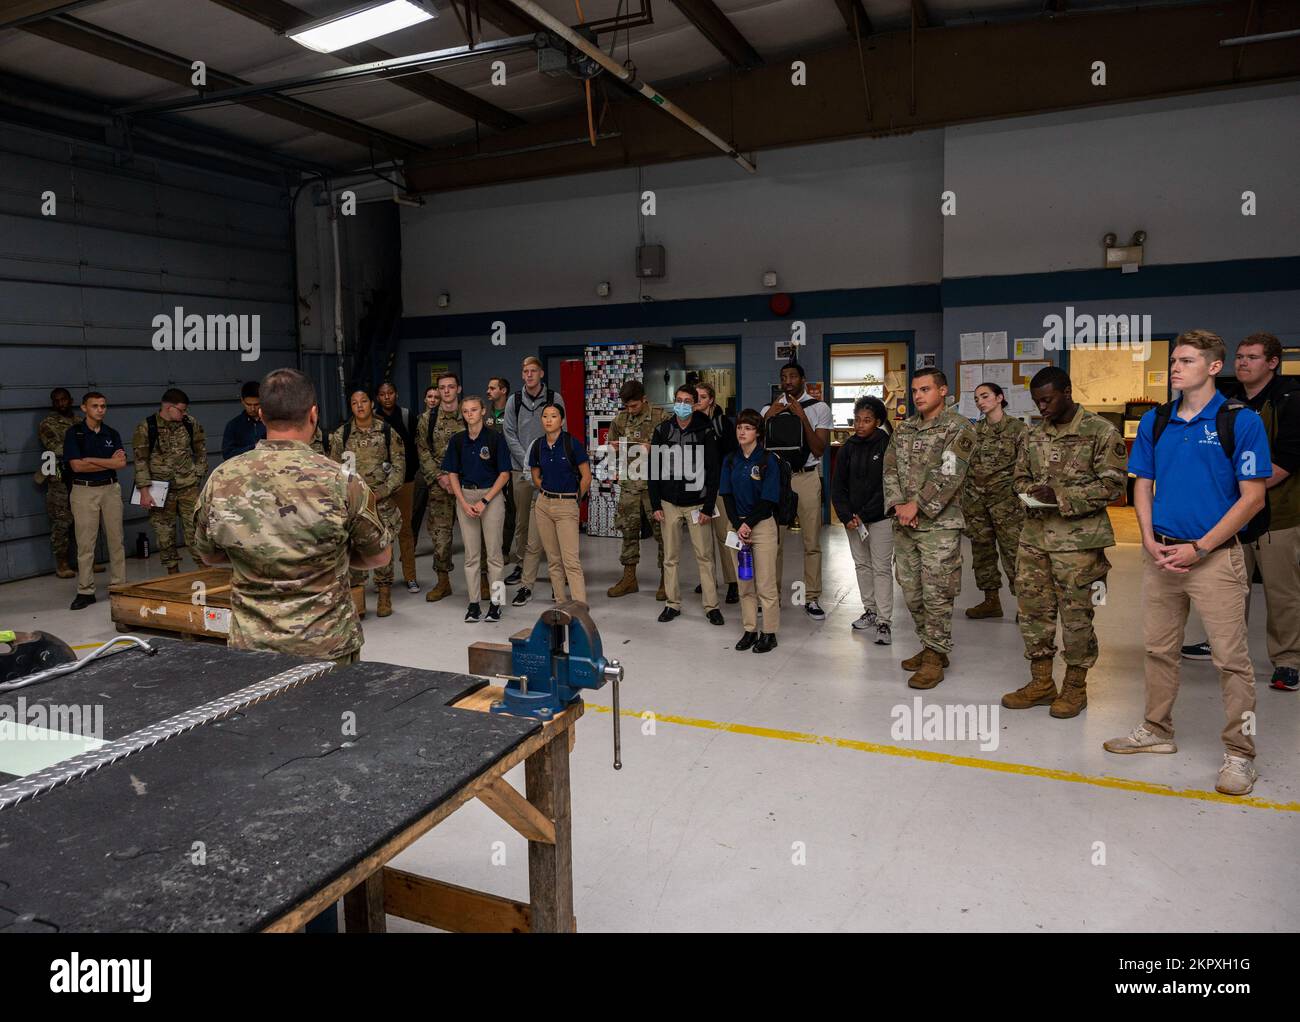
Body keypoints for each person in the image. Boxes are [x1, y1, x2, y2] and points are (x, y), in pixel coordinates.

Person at [1104, 330, 1270, 797]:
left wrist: (1199, 548)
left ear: (1214, 367)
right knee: (1158, 650)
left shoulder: (1241, 421)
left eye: (1187, 360)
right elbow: (1141, 484)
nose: (1176, 367)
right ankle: (1156, 730)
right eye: (1174, 359)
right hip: (1160, 555)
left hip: (1214, 557)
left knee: (1231, 661)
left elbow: (1252, 498)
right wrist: (1148, 540)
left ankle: (1241, 754)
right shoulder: (1157, 421)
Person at [194, 368, 390, 662]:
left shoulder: (222, 479)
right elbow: (379, 557)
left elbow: (207, 555)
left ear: (261, 415)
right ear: (314, 414)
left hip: (251, 648)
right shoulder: (342, 481)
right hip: (326, 647)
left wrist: (258, 555)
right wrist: (334, 556)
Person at [1000, 368, 1126, 718]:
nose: (1042, 407)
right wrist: (1030, 492)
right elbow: (1019, 478)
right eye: (1037, 401)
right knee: (1033, 615)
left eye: (1048, 399)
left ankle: (1075, 687)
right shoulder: (1033, 434)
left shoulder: (1100, 431)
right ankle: (1041, 683)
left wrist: (1060, 495)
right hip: (1035, 540)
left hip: (1079, 545)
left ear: (1068, 392)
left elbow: (1114, 485)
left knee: (1076, 617)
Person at [1180, 333, 1300, 692]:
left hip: (1277, 516)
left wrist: (1245, 494)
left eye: (1252, 357)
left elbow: (1287, 461)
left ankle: (1288, 659)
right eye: (1240, 357)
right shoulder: (1230, 403)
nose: (1243, 363)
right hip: (1233, 517)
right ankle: (1222, 647)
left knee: (1282, 593)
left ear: (1272, 363)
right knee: (1230, 588)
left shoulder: (1289, 401)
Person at [883, 369, 976, 689]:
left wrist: (917, 506)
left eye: (925, 389)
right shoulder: (905, 427)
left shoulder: (959, 428)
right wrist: (898, 505)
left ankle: (936, 656)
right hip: (904, 523)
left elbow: (950, 472)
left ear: (943, 391)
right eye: (914, 390)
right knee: (911, 590)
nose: (918, 395)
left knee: (937, 593)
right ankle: (929, 644)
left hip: (940, 525)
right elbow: (889, 467)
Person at [761, 361, 833, 620]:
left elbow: (819, 449)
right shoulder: (768, 409)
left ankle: (812, 598)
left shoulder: (819, 408)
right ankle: (772, 597)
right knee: (773, 542)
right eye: (784, 376)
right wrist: (770, 415)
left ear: (803, 379)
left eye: (793, 376)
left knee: (811, 542)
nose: (788, 380)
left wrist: (801, 417)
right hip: (777, 479)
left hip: (807, 477)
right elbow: (758, 446)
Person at [649, 385, 724, 625]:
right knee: (670, 557)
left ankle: (712, 606)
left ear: (694, 404)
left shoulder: (705, 431)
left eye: (687, 401)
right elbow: (653, 470)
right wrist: (656, 504)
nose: (682, 404)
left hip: (697, 503)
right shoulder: (662, 430)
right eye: (678, 400)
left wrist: (707, 507)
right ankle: (672, 604)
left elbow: (713, 471)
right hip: (668, 503)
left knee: (705, 556)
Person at [329, 388, 405, 618]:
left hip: (381, 503)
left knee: (382, 546)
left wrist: (381, 492)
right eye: (354, 402)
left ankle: (384, 595)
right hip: (354, 505)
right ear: (350, 407)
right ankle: (358, 601)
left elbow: (399, 468)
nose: (360, 406)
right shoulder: (341, 435)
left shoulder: (387, 432)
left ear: (372, 404)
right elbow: (333, 471)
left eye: (364, 401)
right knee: (355, 550)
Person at [443, 395, 513, 622]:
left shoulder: (495, 438)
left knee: (494, 555)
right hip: (466, 496)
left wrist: (485, 501)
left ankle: (497, 603)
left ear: (483, 411)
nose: (470, 414)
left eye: (474, 410)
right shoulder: (457, 440)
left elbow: (504, 474)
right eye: (465, 411)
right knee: (471, 556)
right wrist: (463, 502)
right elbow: (452, 474)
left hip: (490, 496)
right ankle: (473, 603)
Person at [961, 382, 1027, 619]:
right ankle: (991, 601)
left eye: (985, 396)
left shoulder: (1018, 429)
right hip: (976, 503)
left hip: (1006, 503)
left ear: (1000, 398)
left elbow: (1027, 467)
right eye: (977, 397)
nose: (980, 401)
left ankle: (1024, 605)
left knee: (1013, 553)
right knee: (982, 553)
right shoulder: (973, 431)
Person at [831, 395, 893, 645]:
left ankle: (884, 622)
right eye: (857, 420)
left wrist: (863, 515)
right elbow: (838, 485)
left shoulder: (887, 444)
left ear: (877, 421)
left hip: (879, 519)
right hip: (853, 522)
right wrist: (846, 515)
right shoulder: (849, 446)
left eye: (867, 420)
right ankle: (870, 610)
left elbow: (886, 486)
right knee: (862, 565)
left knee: (881, 568)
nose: (860, 425)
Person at [719, 409, 783, 653]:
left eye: (747, 428)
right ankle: (749, 629)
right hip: (737, 526)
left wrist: (748, 524)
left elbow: (768, 500)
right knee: (744, 583)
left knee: (765, 584)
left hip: (762, 526)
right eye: (739, 427)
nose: (742, 432)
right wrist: (737, 524)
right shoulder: (730, 460)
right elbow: (726, 495)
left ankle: (769, 632)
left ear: (758, 432)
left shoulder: (768, 460)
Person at [504, 356, 563, 605]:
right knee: (523, 522)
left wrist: (542, 461)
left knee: (551, 523)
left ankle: (556, 576)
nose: (528, 375)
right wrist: (527, 459)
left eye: (533, 371)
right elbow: (509, 432)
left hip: (547, 470)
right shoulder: (514, 400)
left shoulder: (554, 399)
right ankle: (520, 566)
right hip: (520, 469)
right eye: (525, 371)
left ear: (541, 374)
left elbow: (562, 428)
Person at [130, 388, 207, 576]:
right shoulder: (147, 427)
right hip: (160, 490)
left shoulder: (190, 423)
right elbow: (140, 460)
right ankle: (173, 573)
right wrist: (145, 492)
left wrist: (198, 474)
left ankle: (206, 571)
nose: (184, 413)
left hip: (188, 488)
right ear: (169, 407)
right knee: (165, 535)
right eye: (181, 410)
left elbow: (200, 450)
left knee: (197, 532)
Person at [64, 392, 128, 610]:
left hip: (110, 489)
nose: (100, 409)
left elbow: (120, 464)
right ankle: (86, 590)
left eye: (103, 405)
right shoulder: (75, 434)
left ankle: (119, 585)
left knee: (116, 540)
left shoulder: (112, 433)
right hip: (84, 490)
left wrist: (91, 459)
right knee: (85, 543)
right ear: (84, 408)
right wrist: (107, 462)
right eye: (95, 406)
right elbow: (76, 466)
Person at [606, 379, 666, 599]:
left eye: (634, 406)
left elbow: (674, 450)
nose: (630, 410)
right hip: (630, 485)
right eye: (627, 406)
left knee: (662, 534)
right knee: (628, 532)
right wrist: (614, 449)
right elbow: (611, 453)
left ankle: (666, 580)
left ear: (644, 399)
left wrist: (655, 448)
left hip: (655, 486)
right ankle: (629, 578)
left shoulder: (661, 417)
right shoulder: (620, 420)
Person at [528, 403, 591, 604]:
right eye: (545, 416)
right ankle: (561, 604)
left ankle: (580, 606)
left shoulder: (572, 444)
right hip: (544, 504)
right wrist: (546, 491)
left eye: (553, 416)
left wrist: (574, 499)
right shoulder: (538, 445)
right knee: (553, 560)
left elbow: (586, 477)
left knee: (570, 561)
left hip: (567, 506)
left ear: (562, 421)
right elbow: (535, 475)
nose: (548, 420)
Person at [416, 372, 464, 603]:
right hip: (440, 486)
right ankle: (443, 582)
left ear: (458, 389)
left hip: (467, 486)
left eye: (450, 387)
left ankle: (483, 581)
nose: (446, 391)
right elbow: (423, 450)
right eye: (442, 387)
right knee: (441, 537)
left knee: (478, 537)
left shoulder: (468, 415)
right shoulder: (428, 419)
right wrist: (439, 477)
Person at [695, 381, 739, 605]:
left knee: (724, 535)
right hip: (698, 485)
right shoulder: (691, 424)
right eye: (696, 397)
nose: (698, 401)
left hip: (720, 485)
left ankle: (733, 582)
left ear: (711, 399)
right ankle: (708, 578)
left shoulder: (722, 423)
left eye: (702, 397)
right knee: (703, 537)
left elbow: (732, 455)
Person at [375, 381, 422, 594]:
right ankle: (383, 578)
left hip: (405, 481)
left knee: (405, 530)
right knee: (381, 533)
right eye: (383, 394)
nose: (387, 397)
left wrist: (410, 471)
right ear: (378, 397)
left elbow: (416, 446)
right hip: (380, 486)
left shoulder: (406, 416)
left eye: (390, 393)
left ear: (396, 394)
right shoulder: (373, 418)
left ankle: (410, 577)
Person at [37, 388, 79, 579]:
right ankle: (62, 563)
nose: (61, 403)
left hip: (80, 476)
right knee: (61, 522)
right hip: (60, 479)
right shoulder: (48, 423)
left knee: (85, 520)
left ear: (71, 400)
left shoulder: (80, 421)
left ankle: (86, 561)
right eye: (57, 401)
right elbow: (56, 448)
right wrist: (84, 451)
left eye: (64, 400)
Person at [409, 384, 438, 557]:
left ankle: (440, 548)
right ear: (425, 399)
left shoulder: (445, 420)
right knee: (416, 509)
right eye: (430, 397)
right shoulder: (418, 420)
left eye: (436, 397)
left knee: (438, 512)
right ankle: (410, 546)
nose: (433, 400)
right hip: (421, 470)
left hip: (440, 471)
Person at [221, 381, 265, 460]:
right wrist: (254, 447)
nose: (252, 409)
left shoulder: (271, 423)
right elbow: (227, 454)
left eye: (256, 404)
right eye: (248, 404)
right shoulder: (234, 425)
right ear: (242, 401)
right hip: (244, 470)